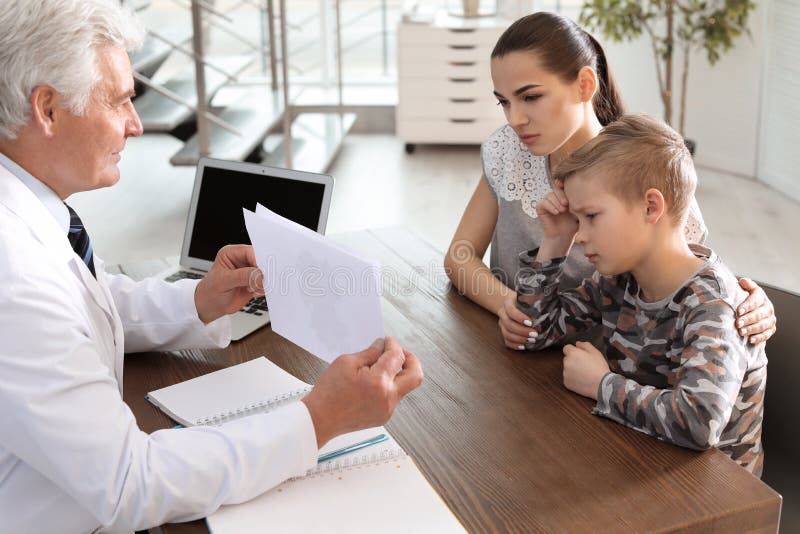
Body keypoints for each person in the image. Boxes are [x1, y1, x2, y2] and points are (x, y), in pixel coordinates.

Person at [0, 1, 423, 531]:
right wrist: (321, 418)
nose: (135, 125)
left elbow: (84, 299)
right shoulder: (13, 273)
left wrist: (200, 299)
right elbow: (132, 483)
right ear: (47, 108)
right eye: (120, 101)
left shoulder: (28, 209)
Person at [443, 12, 777, 350]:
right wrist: (507, 306)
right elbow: (460, 256)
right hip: (523, 353)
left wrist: (742, 300)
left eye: (530, 97)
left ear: (585, 85)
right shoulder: (508, 151)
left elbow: (686, 279)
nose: (515, 119)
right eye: (504, 101)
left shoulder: (645, 166)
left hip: (611, 371)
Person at [515, 114, 766, 475]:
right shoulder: (621, 280)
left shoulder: (712, 304)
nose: (580, 235)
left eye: (591, 216)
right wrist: (554, 242)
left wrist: (602, 386)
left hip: (714, 499)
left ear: (651, 207)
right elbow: (532, 330)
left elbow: (700, 423)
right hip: (640, 460)